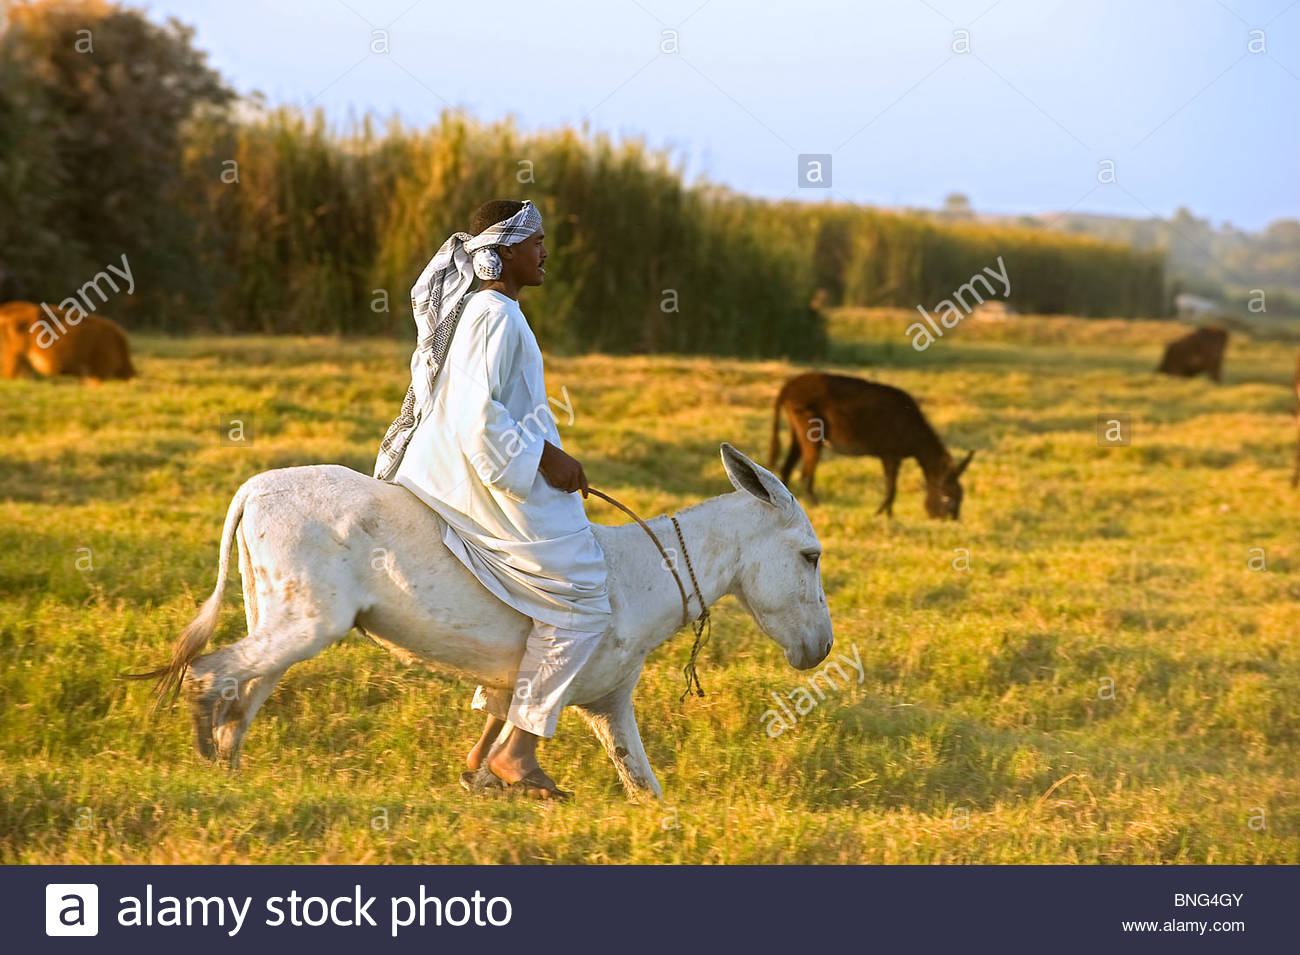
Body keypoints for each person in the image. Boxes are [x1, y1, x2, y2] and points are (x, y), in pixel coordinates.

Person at [374, 199, 610, 799]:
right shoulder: (495, 315)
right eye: (534, 242)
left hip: (485, 471)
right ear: (502, 253)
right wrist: (545, 460)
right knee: (584, 596)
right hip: (477, 479)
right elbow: (476, 420)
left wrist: (547, 455)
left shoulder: (493, 309)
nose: (544, 252)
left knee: (554, 599)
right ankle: (517, 754)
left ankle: (483, 751)